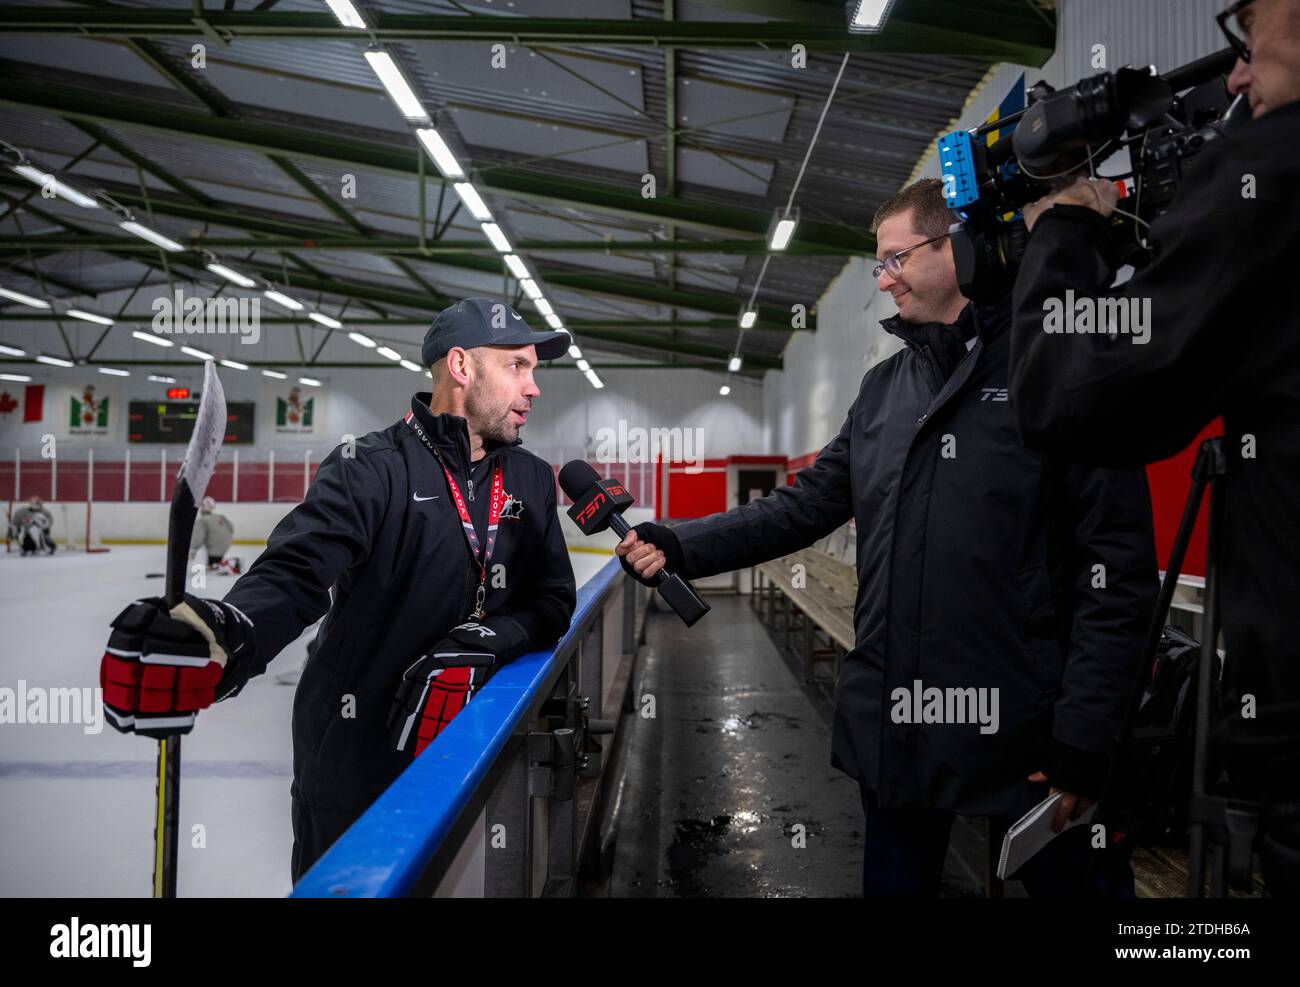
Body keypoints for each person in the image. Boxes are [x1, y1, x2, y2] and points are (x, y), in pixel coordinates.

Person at [619, 180, 1159, 897]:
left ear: (956, 249)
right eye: (879, 263)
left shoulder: (1053, 372)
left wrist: (1086, 737)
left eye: (895, 258)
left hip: (1032, 738)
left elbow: (1117, 572)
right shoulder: (883, 391)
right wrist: (683, 544)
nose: (883, 279)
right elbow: (803, 505)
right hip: (898, 731)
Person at [99, 298, 577, 882]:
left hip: (466, 737)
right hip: (356, 750)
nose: (534, 388)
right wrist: (225, 636)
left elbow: (553, 599)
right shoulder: (369, 467)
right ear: (461, 366)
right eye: (518, 367)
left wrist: (489, 638)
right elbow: (295, 573)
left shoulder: (528, 477)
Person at [1007, 0, 1300, 892]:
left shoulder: (1272, 172)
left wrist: (1064, 229)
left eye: (1249, 46)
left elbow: (1071, 395)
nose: (1236, 78)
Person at [189, 496, 240, 575]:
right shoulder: (220, 516)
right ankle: (221, 564)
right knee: (216, 560)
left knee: (213, 566)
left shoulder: (202, 520)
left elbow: (197, 538)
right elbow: (231, 528)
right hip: (225, 545)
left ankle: (218, 566)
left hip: (214, 549)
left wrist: (192, 549)